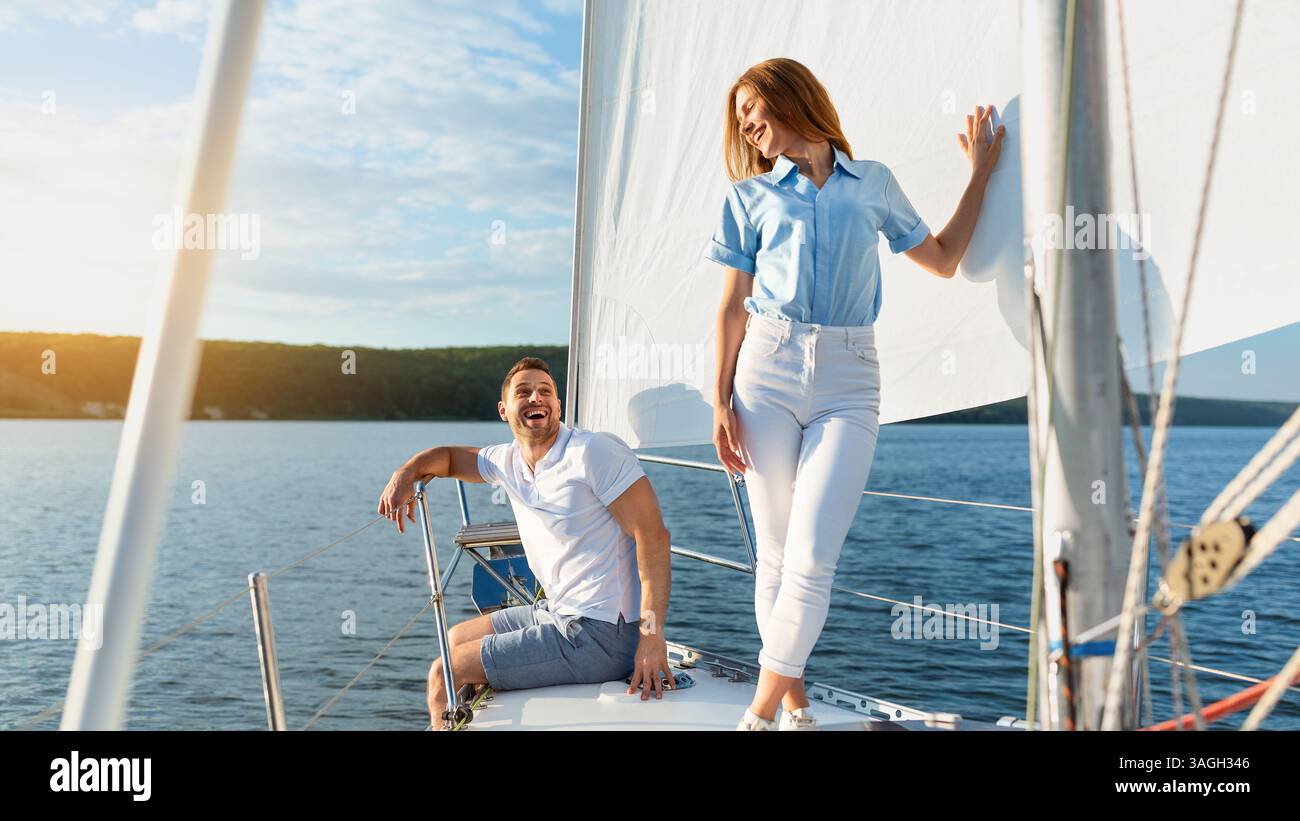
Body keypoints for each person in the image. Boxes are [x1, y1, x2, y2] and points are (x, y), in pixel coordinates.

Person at [706, 58, 1005, 730]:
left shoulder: (872, 183)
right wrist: (718, 400)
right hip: (765, 370)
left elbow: (944, 258)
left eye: (756, 109)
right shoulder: (748, 197)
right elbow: (729, 308)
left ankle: (755, 716)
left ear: (792, 100)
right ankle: (793, 701)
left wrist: (980, 173)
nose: (749, 126)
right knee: (776, 555)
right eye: (742, 120)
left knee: (812, 555)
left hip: (850, 376)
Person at [377, 356, 674, 728]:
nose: (536, 397)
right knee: (453, 638)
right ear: (504, 410)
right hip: (558, 612)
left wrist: (650, 637)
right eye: (524, 391)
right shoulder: (507, 461)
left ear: (558, 405)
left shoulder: (592, 452)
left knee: (443, 673)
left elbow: (653, 536)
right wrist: (406, 472)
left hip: (602, 635)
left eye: (545, 391)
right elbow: (450, 458)